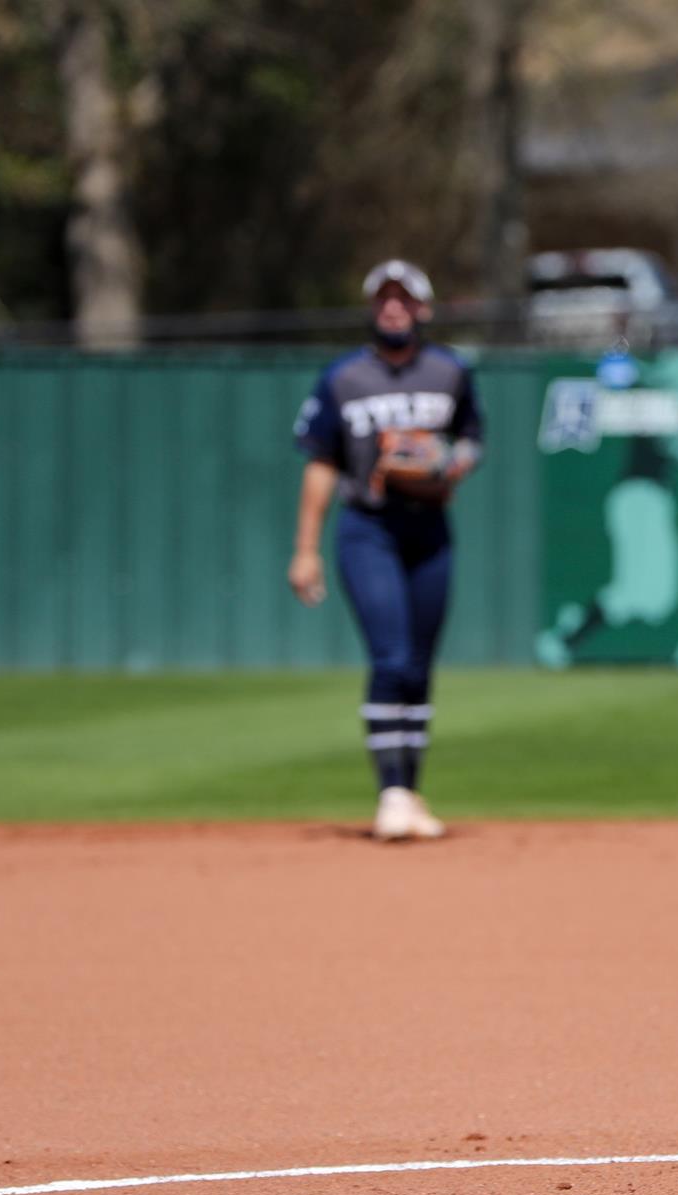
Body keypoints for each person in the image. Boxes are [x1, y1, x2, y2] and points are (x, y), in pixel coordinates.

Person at [287, 260, 482, 841]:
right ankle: (390, 792)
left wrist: (449, 464)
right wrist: (305, 549)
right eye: (383, 299)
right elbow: (321, 461)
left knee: (420, 666)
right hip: (368, 528)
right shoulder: (344, 378)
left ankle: (411, 791)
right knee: (391, 655)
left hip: (430, 529)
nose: (392, 308)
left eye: (404, 299)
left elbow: (472, 439)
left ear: (423, 308)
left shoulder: (450, 371)